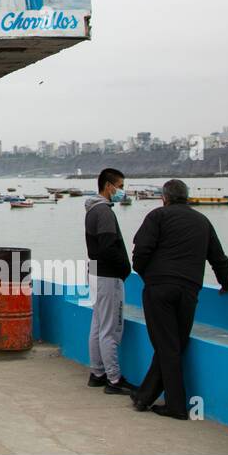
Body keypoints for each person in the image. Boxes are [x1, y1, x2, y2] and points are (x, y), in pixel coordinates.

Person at [131, 178, 228, 419]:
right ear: (187, 197)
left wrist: (148, 276)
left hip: (159, 288)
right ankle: (144, 396)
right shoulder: (202, 221)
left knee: (166, 345)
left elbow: (140, 253)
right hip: (189, 290)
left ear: (165, 197)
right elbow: (218, 258)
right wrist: (227, 284)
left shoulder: (157, 216)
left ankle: (176, 407)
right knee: (173, 345)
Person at [85, 168, 135, 395]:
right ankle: (114, 379)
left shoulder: (91, 210)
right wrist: (124, 268)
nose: (122, 191)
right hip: (107, 276)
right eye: (120, 186)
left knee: (97, 325)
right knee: (110, 329)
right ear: (108, 186)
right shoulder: (104, 212)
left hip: (96, 273)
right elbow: (108, 246)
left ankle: (97, 373)